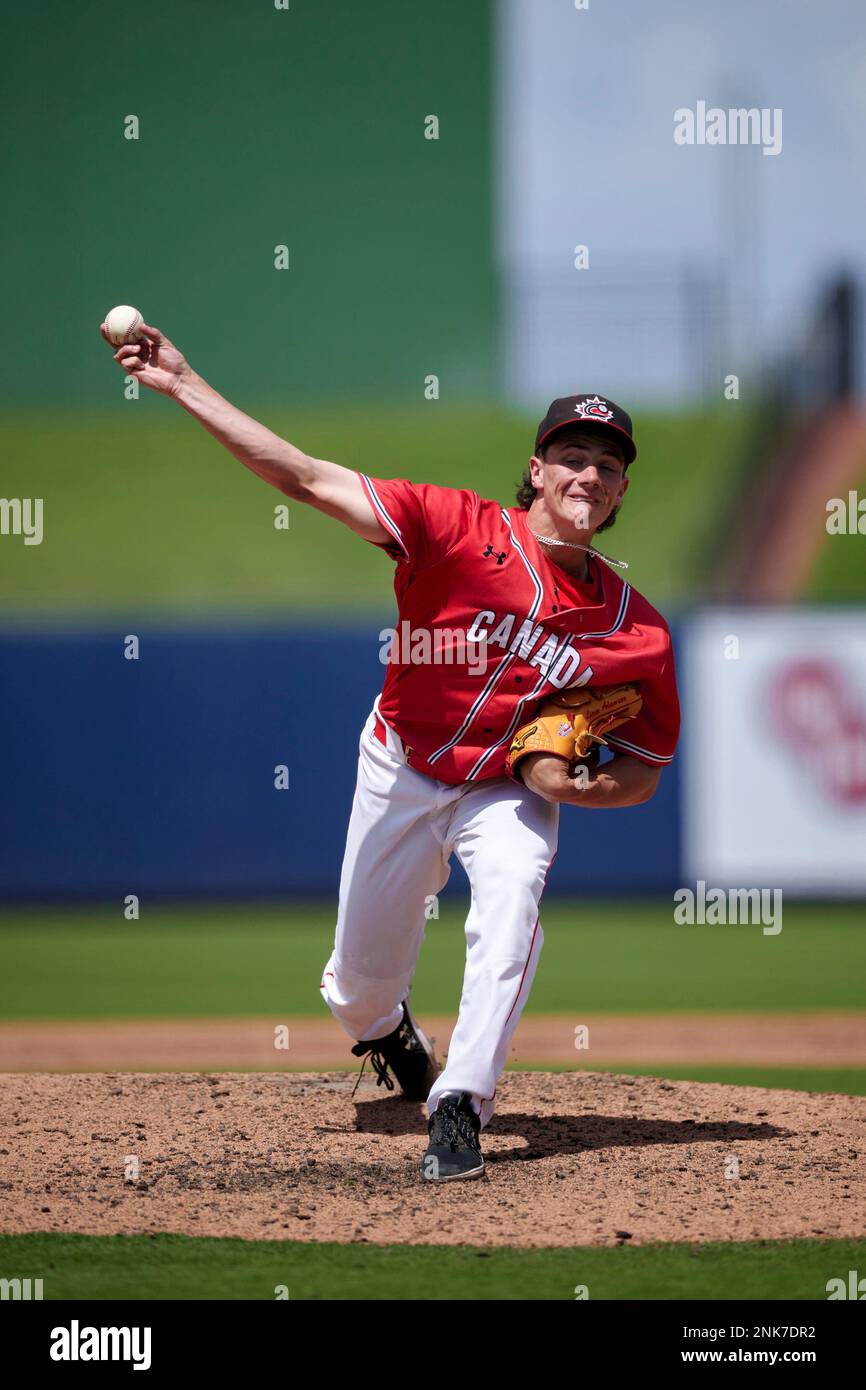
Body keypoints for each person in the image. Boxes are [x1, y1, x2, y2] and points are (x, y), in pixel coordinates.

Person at [101, 321, 680, 1183]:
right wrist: (183, 381)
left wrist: (575, 785)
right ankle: (386, 1030)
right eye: (571, 454)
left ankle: (460, 1104)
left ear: (624, 487)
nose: (588, 472)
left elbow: (641, 770)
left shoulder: (636, 631)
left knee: (515, 892)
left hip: (505, 788)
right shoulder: (453, 526)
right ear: (536, 469)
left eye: (608, 461)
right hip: (402, 762)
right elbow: (301, 476)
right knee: (356, 988)